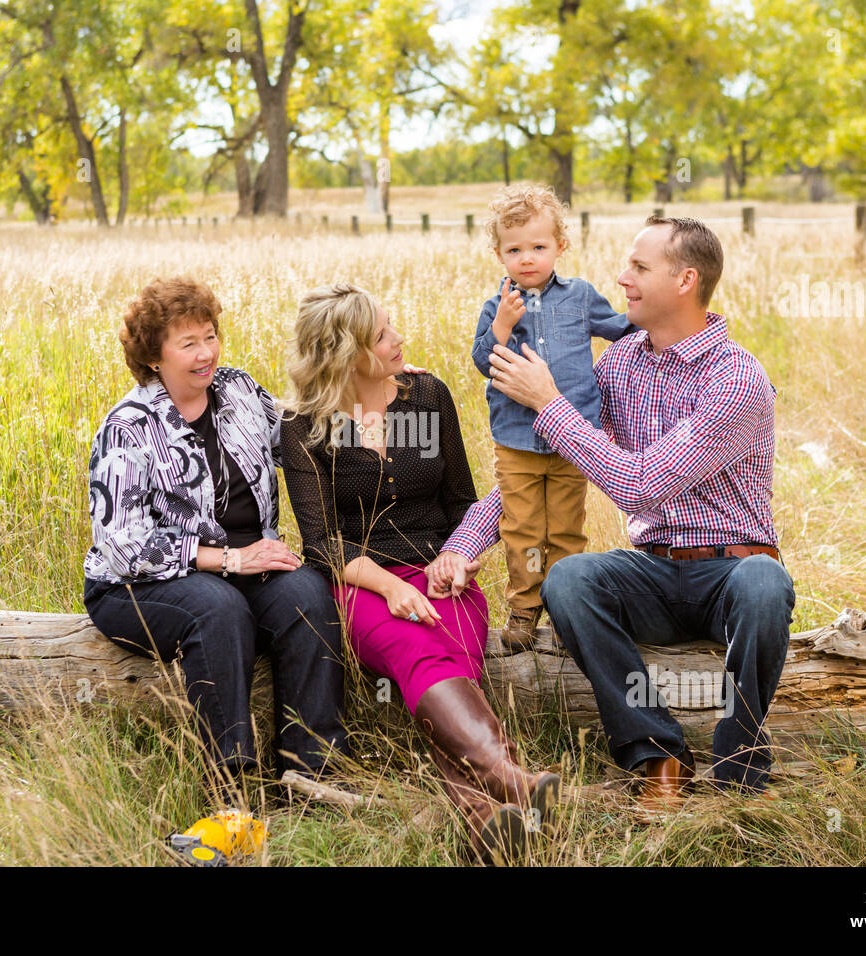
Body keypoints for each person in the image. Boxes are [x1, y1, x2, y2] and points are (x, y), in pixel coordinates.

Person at [437, 217, 794, 819]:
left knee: (765, 585)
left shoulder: (736, 378)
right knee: (570, 579)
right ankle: (657, 755)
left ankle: (740, 771)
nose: (622, 278)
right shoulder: (621, 365)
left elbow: (644, 486)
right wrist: (465, 546)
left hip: (733, 574)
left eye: (639, 268)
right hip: (652, 573)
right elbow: (541, 467)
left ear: (685, 280)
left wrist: (549, 403)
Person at [281, 281, 560, 864]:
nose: (398, 338)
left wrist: (460, 554)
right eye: (382, 334)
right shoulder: (304, 429)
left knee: (448, 641)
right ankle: (512, 783)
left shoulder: (427, 396)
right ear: (345, 352)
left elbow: (463, 501)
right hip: (363, 583)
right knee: (418, 645)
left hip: (441, 571)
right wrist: (389, 588)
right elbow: (324, 544)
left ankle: (488, 822)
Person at [82, 276, 348, 793]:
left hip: (244, 565)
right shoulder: (127, 427)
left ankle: (313, 771)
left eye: (210, 336)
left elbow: (300, 433)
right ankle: (229, 783)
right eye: (188, 344)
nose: (206, 353)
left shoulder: (238, 389)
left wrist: (376, 383)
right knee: (217, 606)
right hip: (138, 585)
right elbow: (122, 546)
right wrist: (226, 560)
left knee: (308, 594)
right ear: (154, 357)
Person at [471, 183, 634, 648]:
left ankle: (566, 607)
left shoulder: (580, 296)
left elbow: (620, 329)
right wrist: (502, 325)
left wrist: (658, 318)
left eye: (538, 247)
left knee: (565, 527)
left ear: (560, 246)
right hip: (517, 440)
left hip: (570, 440)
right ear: (499, 254)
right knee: (522, 528)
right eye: (514, 249)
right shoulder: (497, 306)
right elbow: (484, 361)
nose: (527, 258)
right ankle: (524, 607)